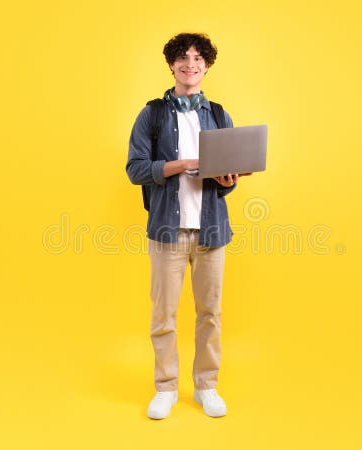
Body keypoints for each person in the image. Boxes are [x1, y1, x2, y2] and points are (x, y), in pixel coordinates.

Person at [126, 32, 249, 419]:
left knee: (210, 313)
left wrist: (228, 180)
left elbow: (226, 181)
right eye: (183, 57)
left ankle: (206, 385)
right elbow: (135, 169)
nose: (190, 64)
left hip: (211, 231)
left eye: (198, 58)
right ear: (171, 65)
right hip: (167, 231)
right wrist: (179, 166)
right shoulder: (152, 115)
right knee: (164, 315)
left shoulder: (219, 114)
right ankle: (165, 387)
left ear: (206, 66)